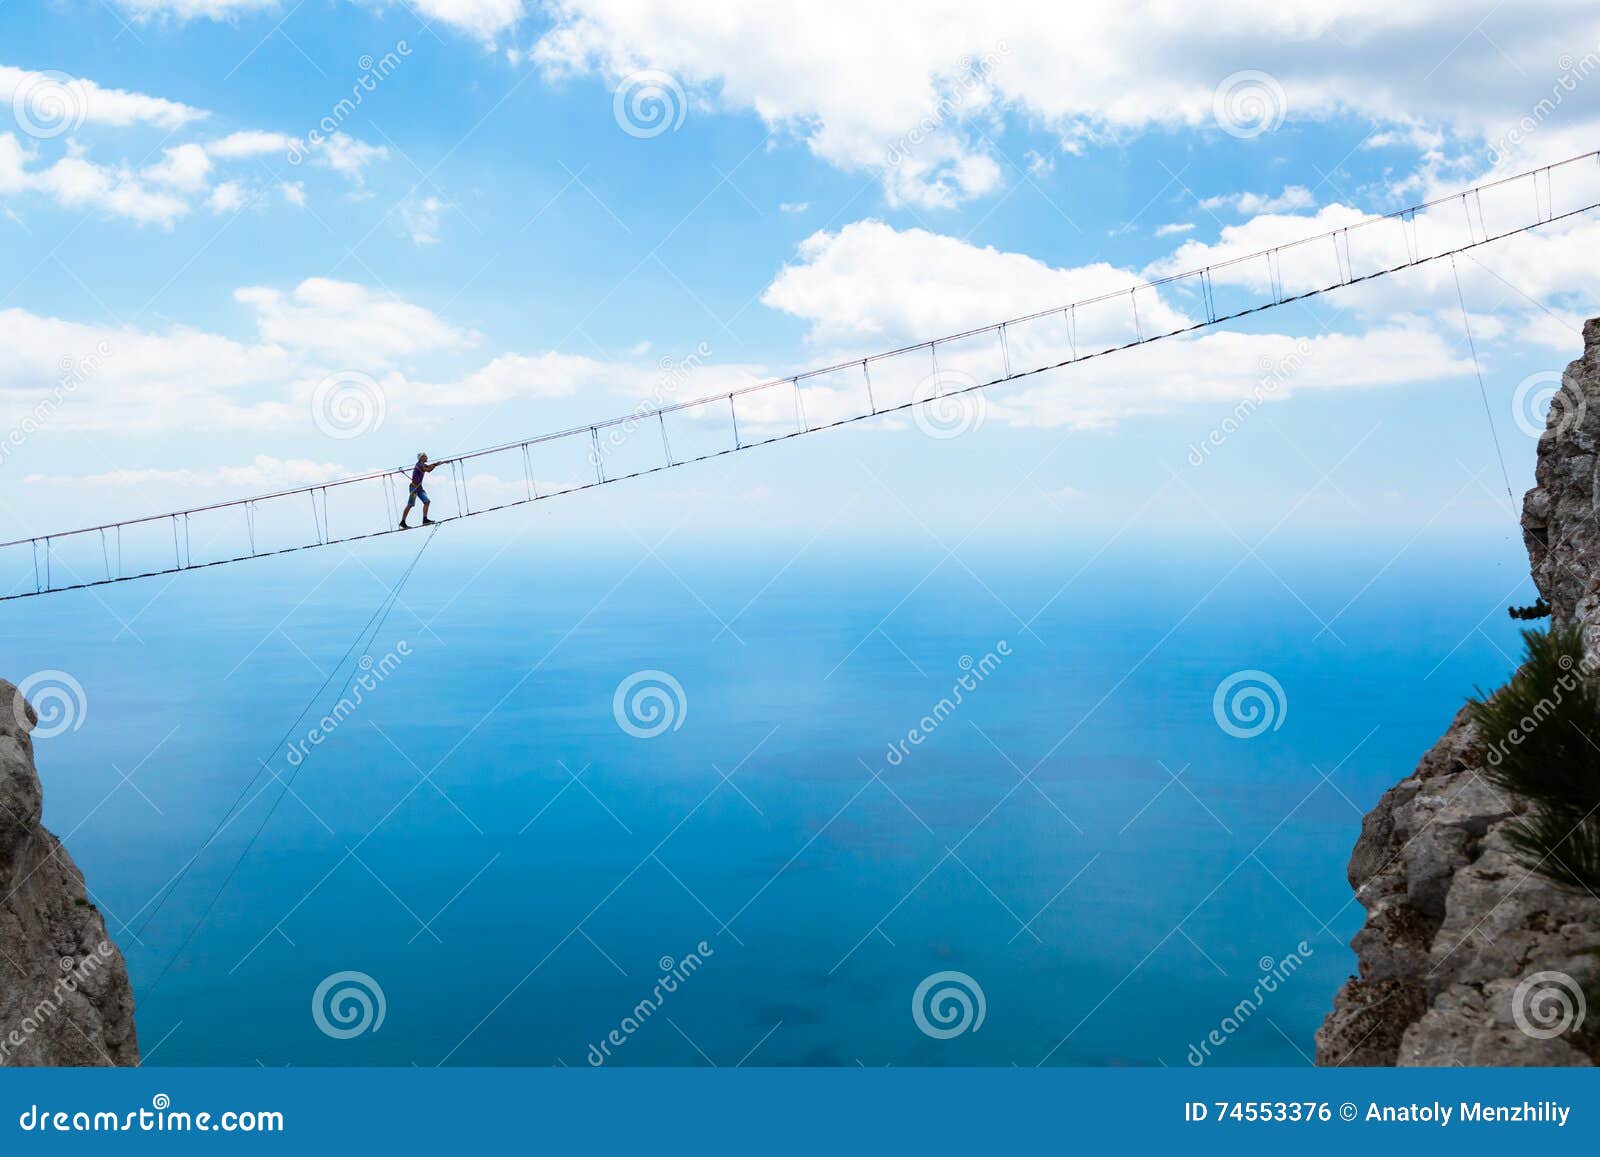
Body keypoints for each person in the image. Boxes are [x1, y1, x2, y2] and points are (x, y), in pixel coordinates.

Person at [399, 452, 442, 528]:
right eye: (425, 456)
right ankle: (402, 522)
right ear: (421, 458)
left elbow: (428, 466)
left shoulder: (422, 464)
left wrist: (438, 463)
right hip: (414, 488)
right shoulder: (419, 465)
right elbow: (428, 470)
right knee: (410, 504)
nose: (427, 457)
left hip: (419, 488)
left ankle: (425, 520)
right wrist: (435, 465)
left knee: (427, 501)